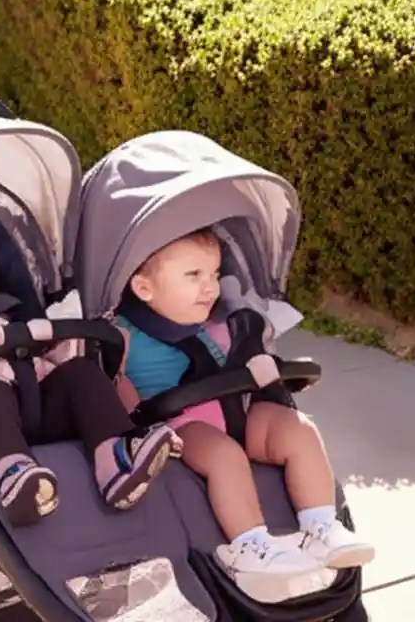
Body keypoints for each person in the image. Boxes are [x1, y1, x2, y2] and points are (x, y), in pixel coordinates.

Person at [113, 228, 376, 604]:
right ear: (144, 289)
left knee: (299, 430)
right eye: (194, 276)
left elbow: (248, 366)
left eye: (215, 275)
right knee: (224, 456)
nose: (210, 287)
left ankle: (321, 526)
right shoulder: (122, 333)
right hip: (180, 423)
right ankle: (250, 546)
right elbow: (119, 394)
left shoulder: (220, 323)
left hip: (238, 410)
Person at [0, 224, 183, 527]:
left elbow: (49, 363)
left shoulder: (6, 316)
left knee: (80, 373)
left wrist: (69, 341)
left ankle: (116, 460)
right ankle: (14, 473)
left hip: (39, 403)